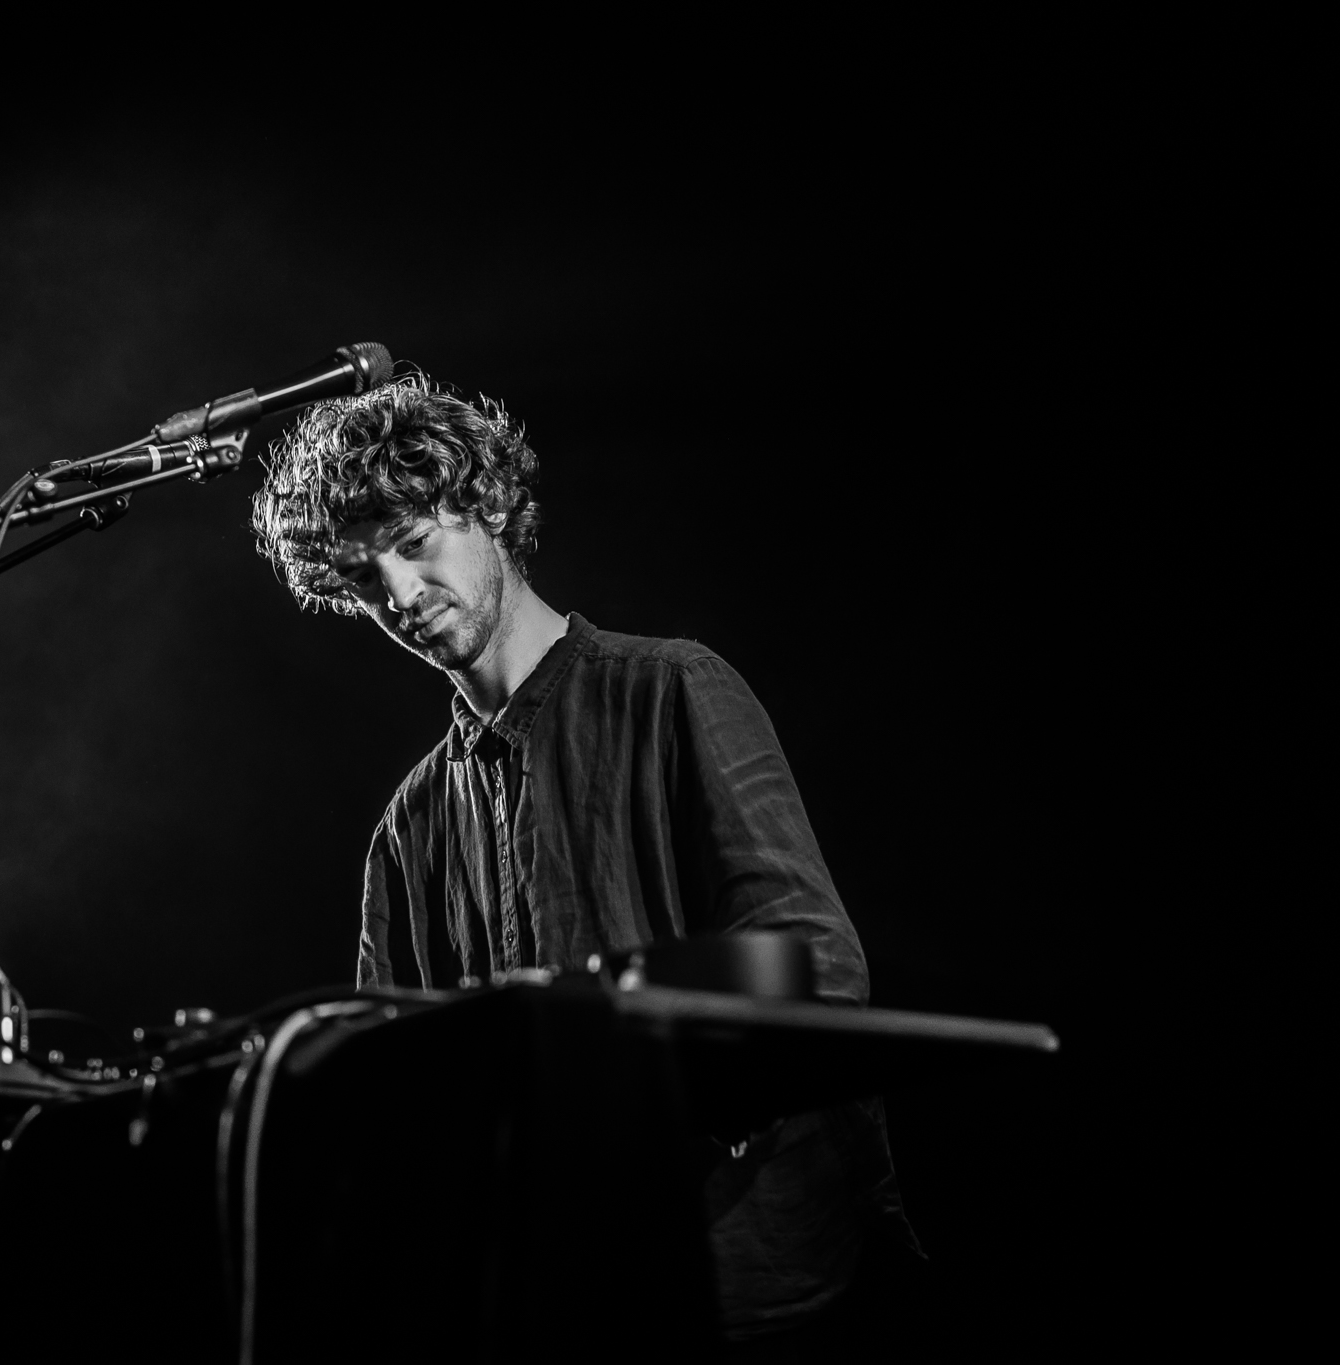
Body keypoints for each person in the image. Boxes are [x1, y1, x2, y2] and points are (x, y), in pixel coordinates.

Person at [248, 373, 924, 1355]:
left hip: (762, 1286)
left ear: (485, 505)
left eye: (412, 542)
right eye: (363, 579)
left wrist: (675, 1093)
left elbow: (813, 958)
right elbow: (397, 1091)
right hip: (566, 1307)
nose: (398, 596)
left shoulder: (673, 686)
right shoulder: (406, 830)